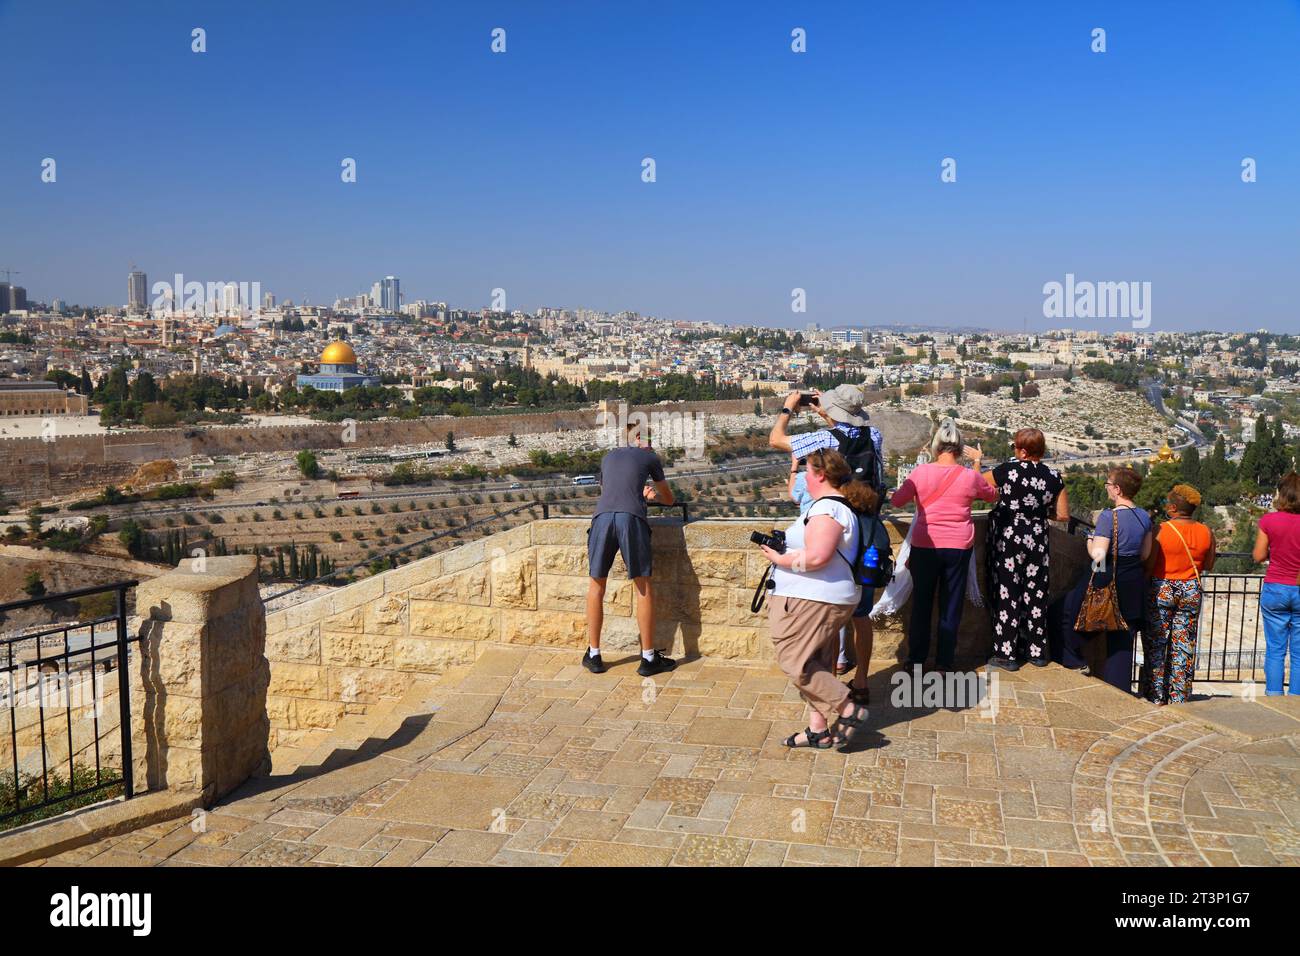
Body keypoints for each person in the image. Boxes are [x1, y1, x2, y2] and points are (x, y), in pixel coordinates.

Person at [771, 384, 885, 703]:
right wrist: (830, 413)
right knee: (861, 615)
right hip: (867, 531)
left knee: (832, 615)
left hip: (835, 531)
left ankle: (831, 683)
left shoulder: (824, 439)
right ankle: (861, 681)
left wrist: (789, 407)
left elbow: (776, 439)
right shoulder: (874, 436)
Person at [759, 449, 875, 751]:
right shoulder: (833, 507)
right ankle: (818, 730)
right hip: (821, 597)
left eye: (806, 472)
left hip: (813, 599)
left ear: (820, 475)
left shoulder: (827, 509)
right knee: (817, 662)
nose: (803, 478)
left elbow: (819, 557)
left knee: (794, 662)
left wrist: (780, 559)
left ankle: (848, 708)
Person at [890, 418, 998, 671]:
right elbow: (992, 494)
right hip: (958, 547)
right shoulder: (970, 476)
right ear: (959, 448)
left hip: (925, 545)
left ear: (936, 447)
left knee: (922, 605)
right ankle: (944, 662)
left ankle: (915, 660)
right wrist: (977, 464)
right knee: (951, 606)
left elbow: (896, 501)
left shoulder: (920, 473)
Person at [584, 420, 676, 677]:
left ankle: (594, 654)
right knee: (643, 587)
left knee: (596, 584)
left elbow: (608, 489)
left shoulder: (608, 457)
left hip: (601, 519)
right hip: (630, 518)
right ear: (643, 440)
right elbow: (669, 499)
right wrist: (651, 497)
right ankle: (648, 659)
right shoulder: (650, 458)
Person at [983, 428, 1069, 671]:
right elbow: (1063, 515)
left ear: (1021, 450)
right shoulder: (1054, 476)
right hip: (1038, 537)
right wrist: (1040, 513)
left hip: (1008, 537)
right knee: (1037, 592)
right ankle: (1036, 651)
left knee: (1007, 591)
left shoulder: (1007, 471)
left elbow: (978, 485)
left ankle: (1006, 653)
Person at [1061, 466, 1153, 692]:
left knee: (1069, 612)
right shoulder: (1144, 516)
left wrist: (1089, 540)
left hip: (1108, 576)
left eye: (1109, 484)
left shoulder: (1108, 516)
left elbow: (1099, 555)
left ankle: (1074, 660)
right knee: (1123, 640)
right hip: (1133, 580)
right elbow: (1145, 554)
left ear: (1118, 489)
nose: (1107, 488)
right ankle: (1118, 691)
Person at [1142, 484, 1216, 704]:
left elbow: (1150, 564)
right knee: (1183, 645)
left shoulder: (1161, 530)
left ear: (1173, 508)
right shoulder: (1206, 531)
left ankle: (1155, 696)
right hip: (1191, 588)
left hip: (1163, 588)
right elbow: (1209, 564)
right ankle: (1179, 698)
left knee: (1157, 644)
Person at [1253, 472, 1300, 696]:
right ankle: (1296, 699)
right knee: (1299, 653)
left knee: (1275, 649)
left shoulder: (1269, 521)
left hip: (1276, 587)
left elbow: (1258, 556)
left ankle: (1274, 697)